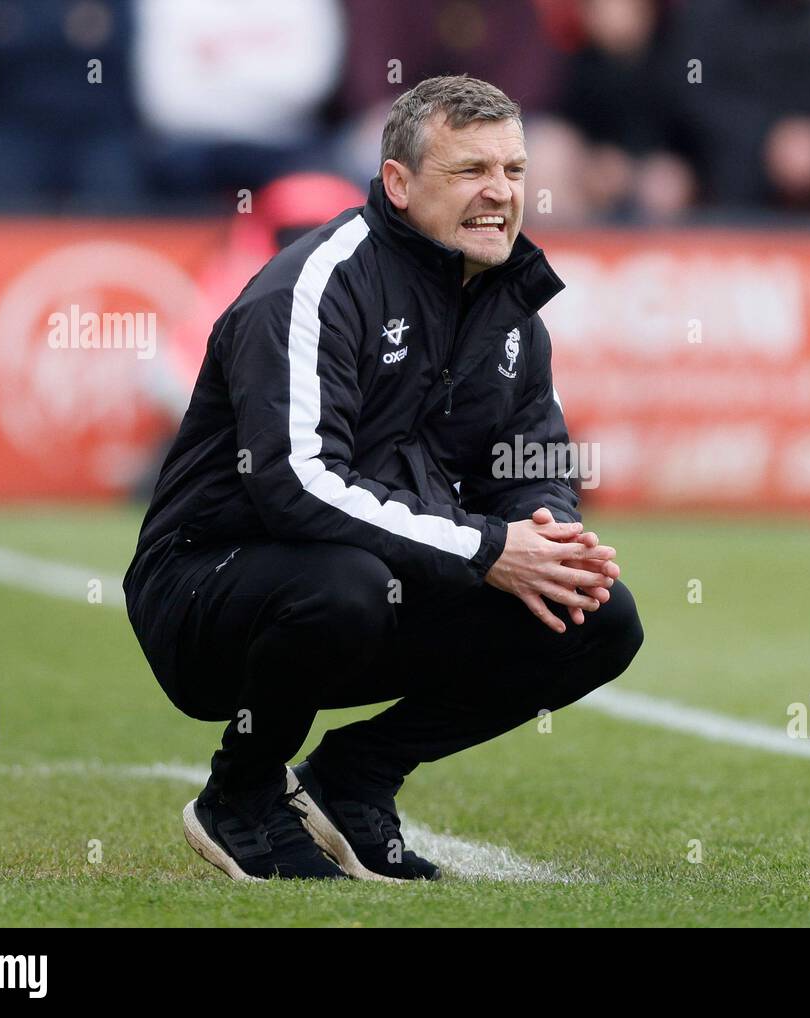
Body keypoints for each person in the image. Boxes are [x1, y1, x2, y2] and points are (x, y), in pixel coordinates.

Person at [122, 74, 645, 883]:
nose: (498, 195)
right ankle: (241, 793)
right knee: (345, 582)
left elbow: (532, 459)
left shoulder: (510, 309)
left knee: (596, 613)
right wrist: (486, 547)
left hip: (382, 575)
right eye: (470, 171)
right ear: (398, 184)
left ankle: (354, 779)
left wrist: (544, 532)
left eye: (512, 171)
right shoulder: (316, 283)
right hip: (207, 587)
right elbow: (297, 483)